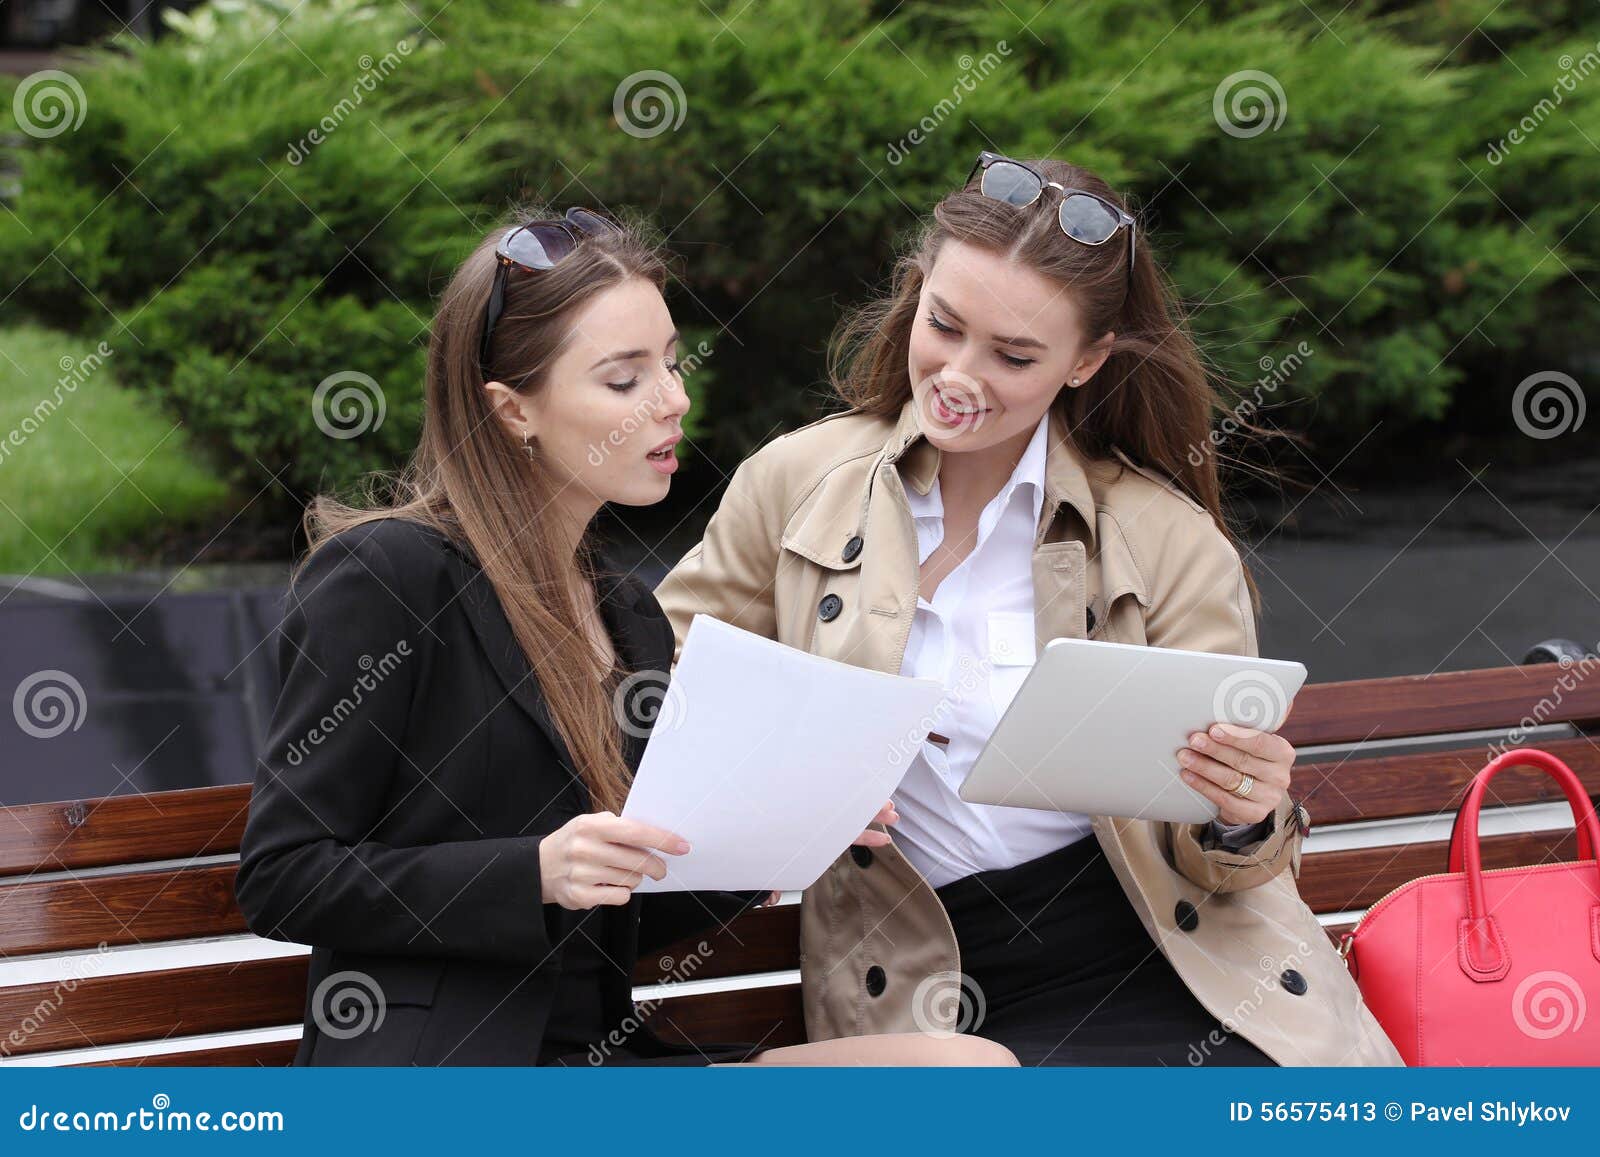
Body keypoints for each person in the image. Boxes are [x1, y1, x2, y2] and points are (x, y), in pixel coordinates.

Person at [654, 152, 1404, 1066]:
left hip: (1173, 953)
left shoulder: (1166, 539)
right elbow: (657, 690)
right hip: (921, 969)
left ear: (1086, 362)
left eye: (1014, 355)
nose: (960, 375)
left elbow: (1229, 864)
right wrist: (783, 787)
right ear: (916, 291)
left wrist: (1243, 812)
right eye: (944, 324)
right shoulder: (797, 482)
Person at [234, 205, 1016, 1068]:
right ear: (512, 410)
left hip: (603, 1063)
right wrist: (530, 870)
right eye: (623, 380)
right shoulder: (389, 576)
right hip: (440, 1069)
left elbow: (624, 908)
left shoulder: (628, 614)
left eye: (673, 365)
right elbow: (283, 873)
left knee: (965, 1071)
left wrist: (789, 833)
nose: (674, 400)